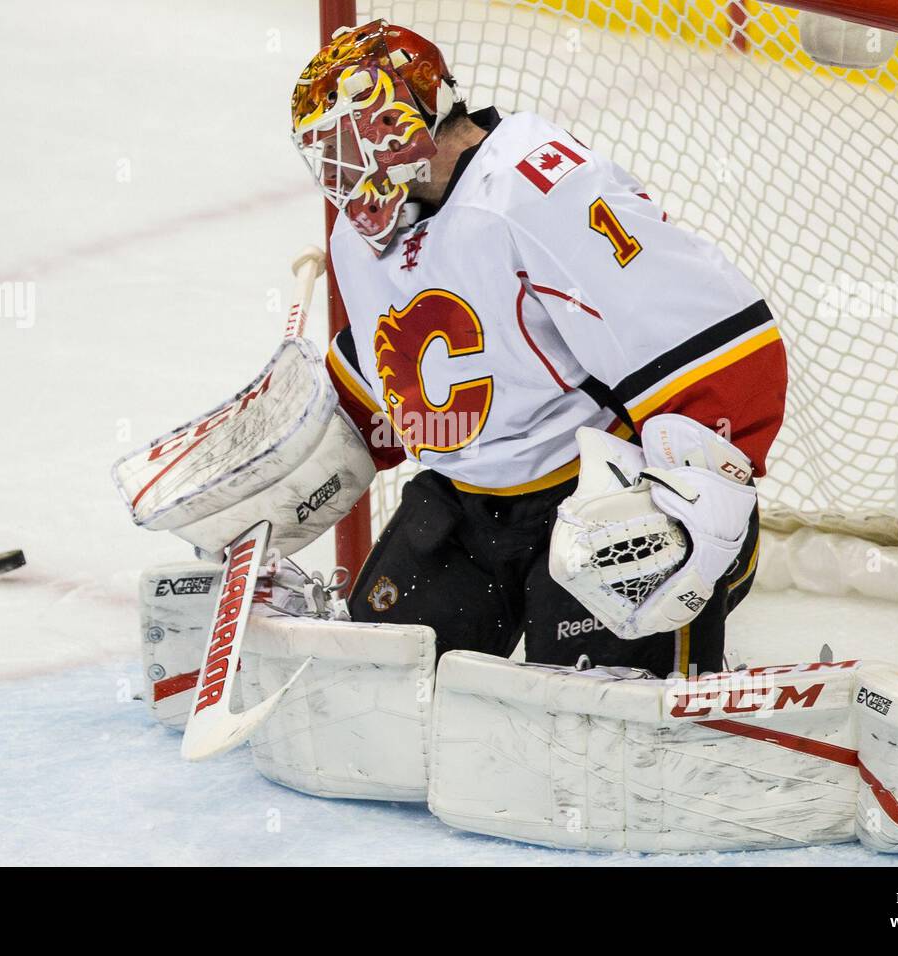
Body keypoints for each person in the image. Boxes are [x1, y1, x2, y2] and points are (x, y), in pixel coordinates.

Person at [290, 20, 787, 676]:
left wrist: (703, 500)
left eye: (353, 143)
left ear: (412, 116)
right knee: (370, 693)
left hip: (599, 501)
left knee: (596, 734)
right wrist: (299, 451)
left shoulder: (533, 184)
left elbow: (700, 332)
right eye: (326, 153)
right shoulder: (360, 240)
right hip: (463, 503)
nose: (342, 171)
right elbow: (401, 371)